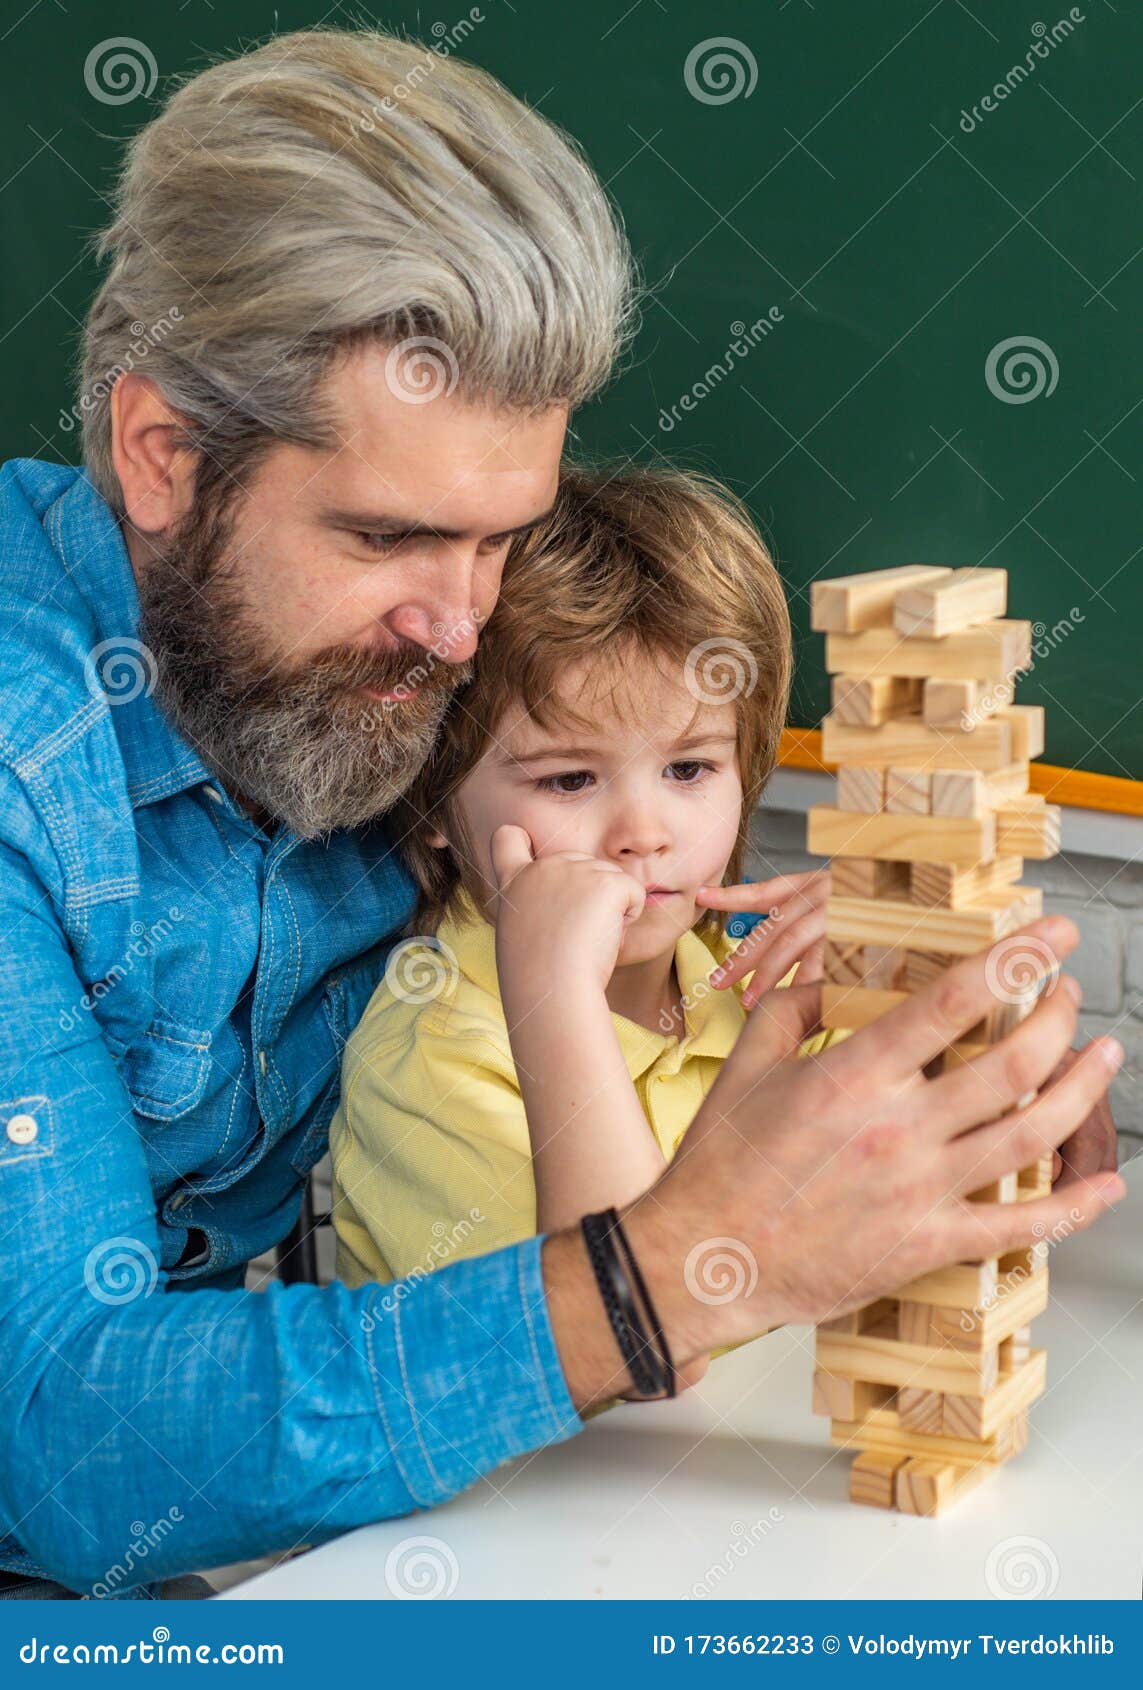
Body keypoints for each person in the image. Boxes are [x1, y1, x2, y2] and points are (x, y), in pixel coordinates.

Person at [0, 26, 1120, 1598]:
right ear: (162, 452)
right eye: (392, 536)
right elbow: (56, 1434)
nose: (459, 632)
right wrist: (672, 1267)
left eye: (497, 539)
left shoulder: (353, 667)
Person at [330, 465, 835, 1289]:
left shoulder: (750, 978)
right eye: (568, 780)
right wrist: (554, 996)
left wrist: (918, 966)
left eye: (689, 769)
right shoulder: (435, 1064)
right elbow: (634, 1340)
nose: (642, 835)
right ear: (425, 794)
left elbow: (979, 1169)